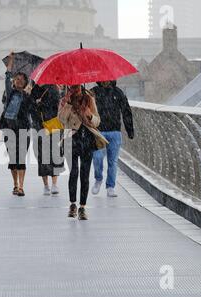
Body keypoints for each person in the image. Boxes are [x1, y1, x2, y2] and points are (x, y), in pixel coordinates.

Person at [58, 85, 107, 220]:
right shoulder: (64, 100)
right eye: (73, 87)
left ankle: (83, 207)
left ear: (81, 86)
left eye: (77, 87)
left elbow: (97, 121)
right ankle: (73, 204)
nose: (75, 89)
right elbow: (61, 119)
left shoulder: (89, 99)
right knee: (73, 172)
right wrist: (68, 105)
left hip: (87, 139)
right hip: (70, 139)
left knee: (85, 174)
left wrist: (89, 115)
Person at [91, 81, 134, 198]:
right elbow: (87, 110)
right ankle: (98, 179)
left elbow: (126, 111)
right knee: (97, 157)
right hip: (99, 131)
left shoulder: (118, 92)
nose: (106, 81)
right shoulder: (93, 92)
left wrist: (130, 130)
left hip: (115, 131)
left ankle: (110, 186)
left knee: (113, 161)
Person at [0, 53, 33, 197]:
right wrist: (10, 66)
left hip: (23, 128)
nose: (18, 81)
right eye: (17, 79)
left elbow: (31, 111)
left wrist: (31, 96)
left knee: (21, 157)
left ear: (25, 82)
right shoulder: (10, 93)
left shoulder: (27, 96)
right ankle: (15, 184)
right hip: (9, 128)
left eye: (21, 80)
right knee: (13, 158)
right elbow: (7, 79)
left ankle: (21, 187)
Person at [29, 83, 64, 196]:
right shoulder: (34, 90)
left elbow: (56, 107)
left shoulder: (54, 89)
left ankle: (54, 184)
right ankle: (46, 185)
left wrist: (42, 104)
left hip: (53, 125)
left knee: (55, 155)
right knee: (42, 156)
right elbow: (30, 108)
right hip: (39, 127)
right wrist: (35, 104)